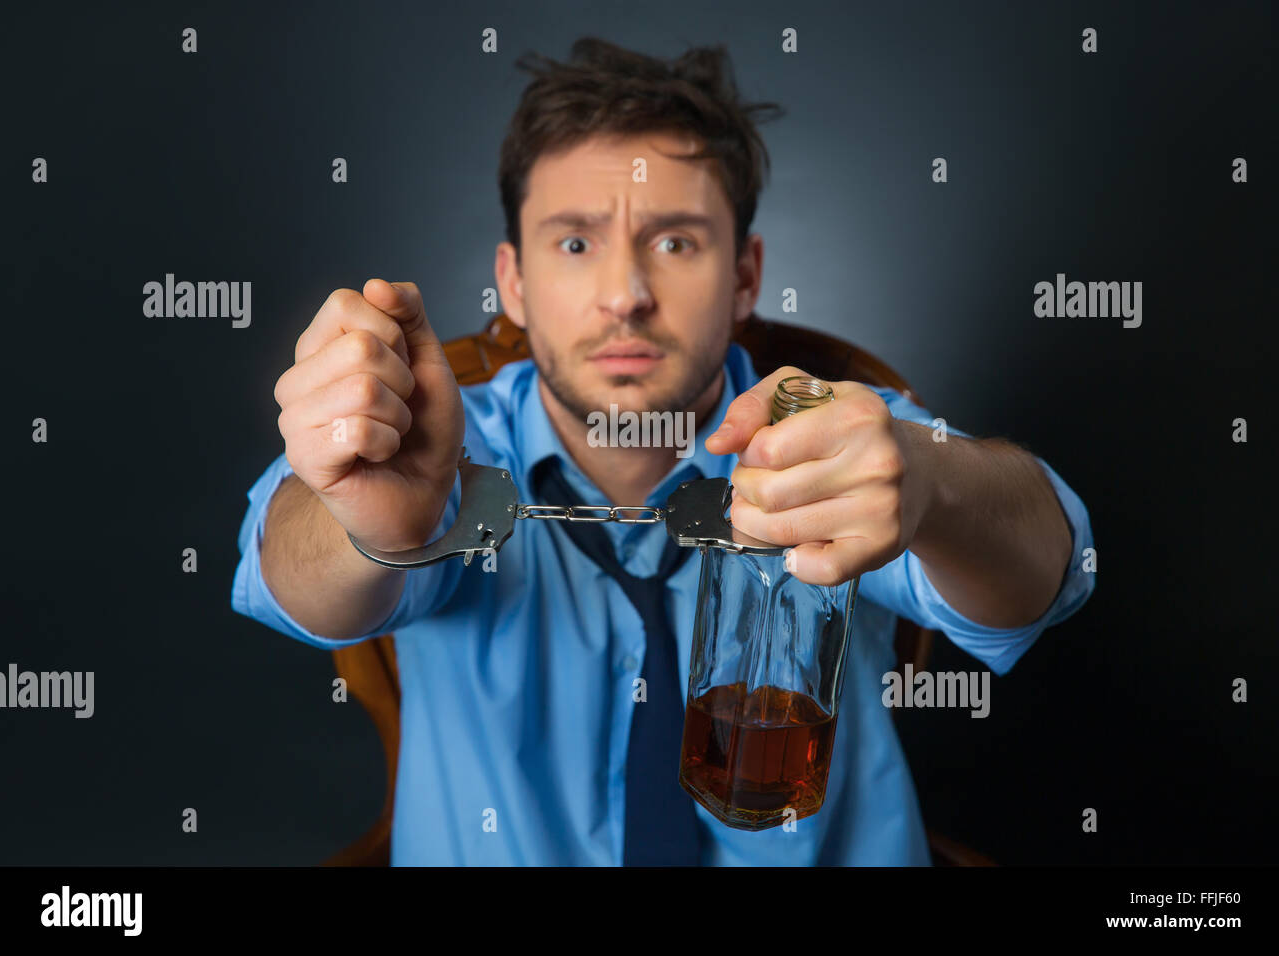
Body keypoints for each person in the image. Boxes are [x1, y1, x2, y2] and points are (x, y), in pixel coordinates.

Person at [230, 37, 1094, 865]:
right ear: (514, 283)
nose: (626, 296)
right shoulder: (448, 444)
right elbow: (290, 580)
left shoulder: (836, 440)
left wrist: (934, 483)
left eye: (675, 242)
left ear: (746, 276)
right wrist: (369, 525)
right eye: (575, 243)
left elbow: (1051, 573)